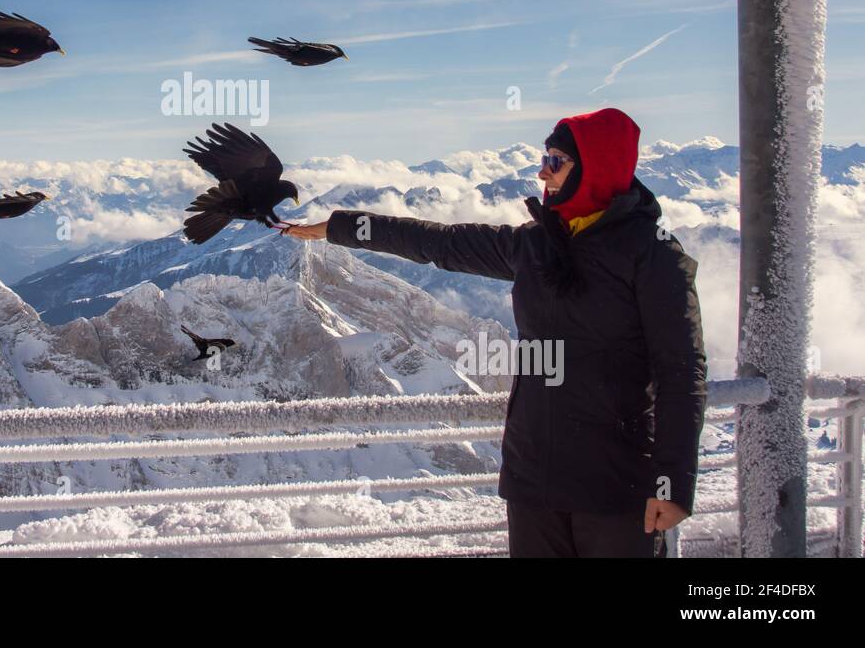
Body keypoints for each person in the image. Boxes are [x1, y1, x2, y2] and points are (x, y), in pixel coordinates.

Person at [284, 107, 707, 557]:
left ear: (595, 168)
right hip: (533, 479)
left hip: (615, 485)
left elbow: (682, 372)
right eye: (544, 158)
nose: (542, 173)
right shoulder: (536, 244)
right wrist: (341, 227)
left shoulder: (653, 255)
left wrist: (672, 483)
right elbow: (440, 244)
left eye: (556, 161)